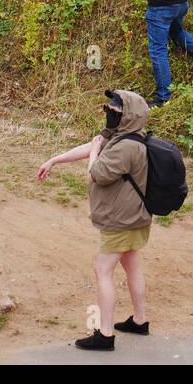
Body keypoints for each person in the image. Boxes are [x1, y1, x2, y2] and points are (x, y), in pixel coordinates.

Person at [38, 89, 156, 352]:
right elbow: (93, 144)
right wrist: (55, 160)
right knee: (132, 265)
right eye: (109, 109)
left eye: (114, 111)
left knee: (102, 269)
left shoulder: (127, 147)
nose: (109, 113)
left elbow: (95, 174)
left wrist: (94, 150)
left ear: (128, 117)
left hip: (121, 220)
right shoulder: (125, 135)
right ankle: (139, 320)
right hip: (134, 217)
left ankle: (104, 335)